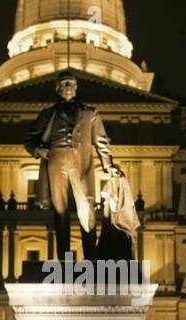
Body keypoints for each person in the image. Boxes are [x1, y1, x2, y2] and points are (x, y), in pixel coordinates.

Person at [24, 70, 122, 260]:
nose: (68, 86)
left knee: (87, 210)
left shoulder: (90, 113)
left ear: (76, 88)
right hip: (56, 163)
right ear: (57, 88)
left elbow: (101, 141)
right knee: (60, 213)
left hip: (82, 165)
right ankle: (63, 260)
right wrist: (38, 150)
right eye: (64, 83)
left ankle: (91, 259)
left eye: (71, 83)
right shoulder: (48, 114)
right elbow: (28, 138)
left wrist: (108, 165)